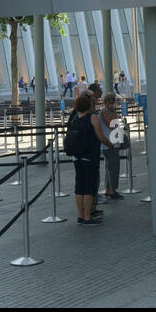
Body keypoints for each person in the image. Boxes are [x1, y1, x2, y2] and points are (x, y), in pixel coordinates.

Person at [68, 92, 107, 226]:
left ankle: (80, 216)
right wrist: (110, 144)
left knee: (79, 186)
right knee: (89, 186)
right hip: (90, 157)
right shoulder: (92, 117)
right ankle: (87, 217)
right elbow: (100, 136)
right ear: (89, 105)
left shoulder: (74, 117)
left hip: (77, 157)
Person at [99, 92, 124, 201]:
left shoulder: (106, 111)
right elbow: (111, 124)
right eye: (110, 102)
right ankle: (112, 190)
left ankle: (108, 189)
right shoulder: (105, 112)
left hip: (111, 143)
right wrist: (114, 112)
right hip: (109, 144)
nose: (112, 104)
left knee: (110, 167)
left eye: (112, 102)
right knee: (113, 168)